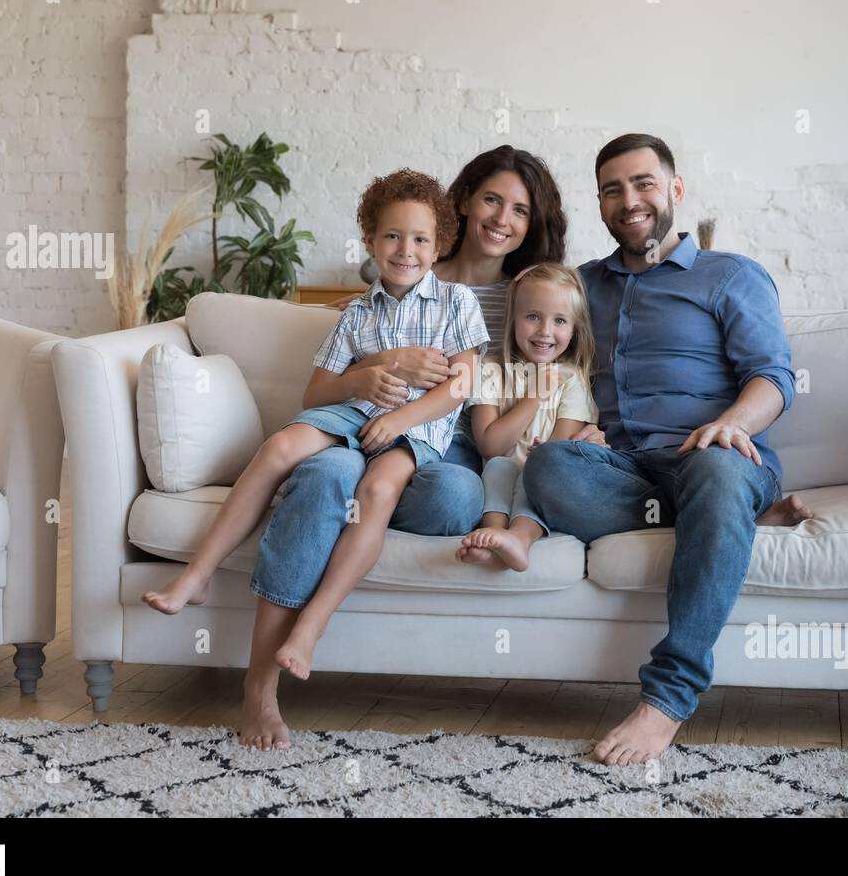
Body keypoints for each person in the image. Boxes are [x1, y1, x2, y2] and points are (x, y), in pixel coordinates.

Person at [146, 169, 490, 749]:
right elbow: (317, 393)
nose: (405, 250)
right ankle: (196, 577)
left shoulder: (456, 302)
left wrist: (400, 418)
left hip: (416, 431)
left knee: (379, 491)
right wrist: (374, 371)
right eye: (391, 237)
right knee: (281, 446)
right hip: (351, 413)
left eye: (421, 239)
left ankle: (311, 625)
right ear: (369, 240)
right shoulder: (357, 313)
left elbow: (461, 385)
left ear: (442, 244)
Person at [522, 133, 811, 767]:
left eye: (644, 183)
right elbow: (535, 354)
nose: (630, 200)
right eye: (612, 190)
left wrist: (732, 424)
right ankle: (724, 527)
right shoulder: (583, 286)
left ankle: (668, 698)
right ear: (599, 204)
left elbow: (774, 377)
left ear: (675, 190)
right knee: (547, 464)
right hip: (626, 471)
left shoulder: (729, 275)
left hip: (715, 458)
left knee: (716, 473)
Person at [455, 262, 598, 571]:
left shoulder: (572, 379)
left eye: (560, 320)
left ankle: (520, 537)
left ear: (574, 329)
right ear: (514, 319)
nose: (545, 331)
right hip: (499, 476)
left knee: (538, 476)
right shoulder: (490, 370)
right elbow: (490, 445)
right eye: (533, 316)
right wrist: (533, 397)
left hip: (542, 479)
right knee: (499, 466)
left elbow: (560, 452)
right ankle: (494, 533)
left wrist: (543, 456)